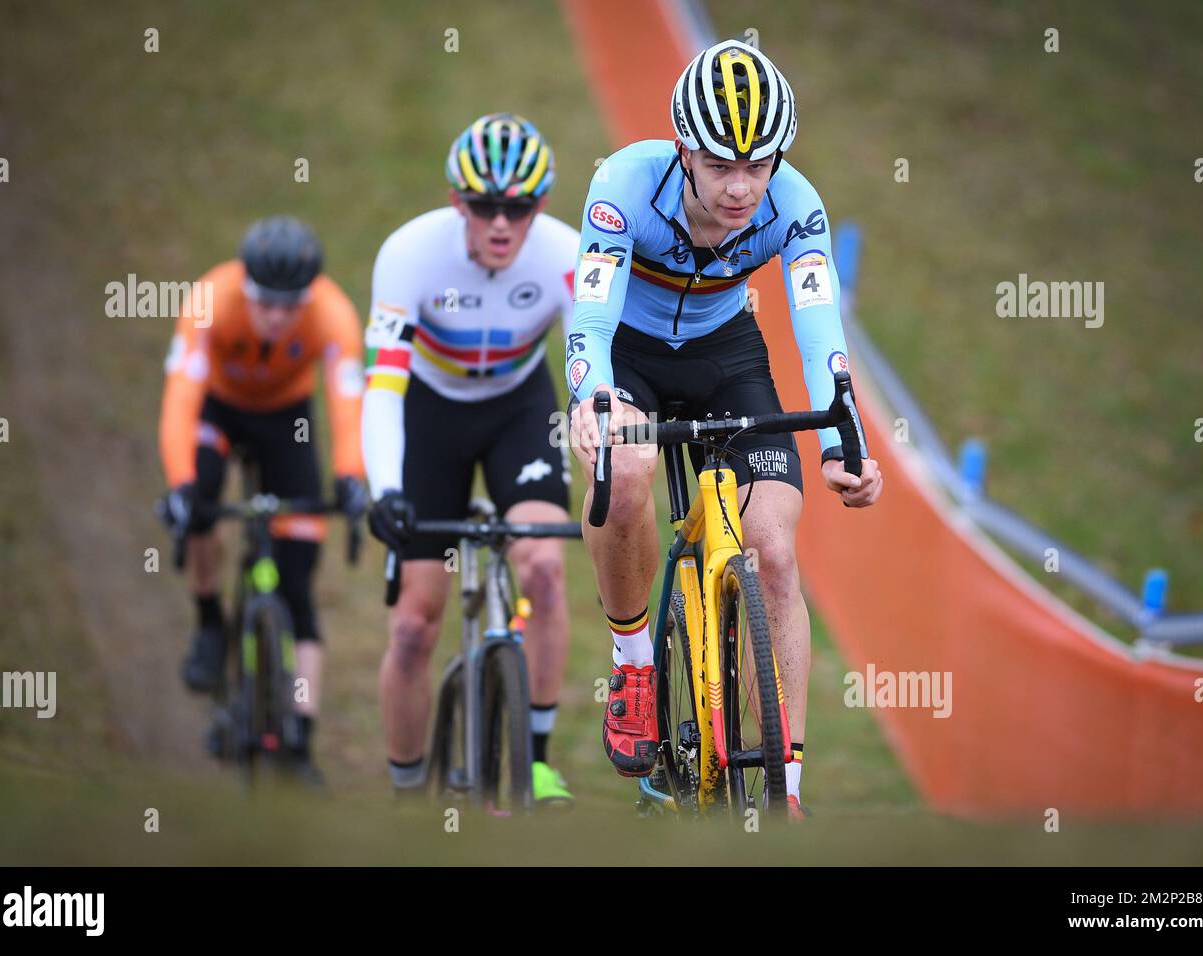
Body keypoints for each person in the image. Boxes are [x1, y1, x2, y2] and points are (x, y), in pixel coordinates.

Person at [565, 41, 884, 819]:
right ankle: (634, 667)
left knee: (774, 548)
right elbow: (591, 318)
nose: (742, 188)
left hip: (726, 354)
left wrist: (845, 444)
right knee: (630, 472)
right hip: (629, 355)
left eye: (759, 165)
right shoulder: (622, 188)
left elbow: (819, 332)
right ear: (683, 151)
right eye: (719, 167)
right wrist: (594, 398)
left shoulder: (797, 205)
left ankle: (786, 790)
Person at [362, 114, 581, 805]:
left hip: (519, 409)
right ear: (457, 201)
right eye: (483, 205)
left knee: (543, 567)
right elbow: (384, 387)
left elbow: (589, 377)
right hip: (430, 414)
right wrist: (386, 488)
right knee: (411, 626)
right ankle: (406, 795)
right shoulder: (409, 254)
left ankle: (538, 760)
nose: (499, 223)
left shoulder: (567, 253)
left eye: (516, 208)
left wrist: (604, 456)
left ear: (539, 206)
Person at [158, 216, 368, 782]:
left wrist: (351, 475)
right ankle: (208, 620)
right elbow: (181, 397)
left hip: (285, 419)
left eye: (289, 305)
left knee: (297, 584)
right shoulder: (209, 300)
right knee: (201, 498)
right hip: (217, 411)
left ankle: (300, 734)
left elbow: (348, 403)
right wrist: (179, 484)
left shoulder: (334, 314)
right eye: (264, 303)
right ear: (244, 287)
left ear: (310, 296)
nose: (276, 317)